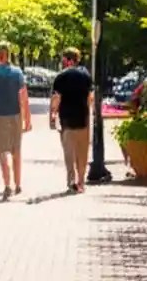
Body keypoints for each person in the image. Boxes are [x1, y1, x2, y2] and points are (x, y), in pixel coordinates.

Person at [0, 42, 31, 199]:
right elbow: (24, 97)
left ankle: (7, 185)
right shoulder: (18, 72)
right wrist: (27, 119)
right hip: (15, 115)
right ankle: (18, 184)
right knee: (16, 151)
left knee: (2, 153)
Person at [50, 47, 93, 193]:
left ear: (68, 60)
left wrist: (52, 115)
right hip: (83, 120)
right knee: (82, 153)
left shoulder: (61, 77)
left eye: (63, 59)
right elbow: (90, 98)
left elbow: (56, 98)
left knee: (69, 153)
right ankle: (81, 181)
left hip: (67, 121)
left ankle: (71, 181)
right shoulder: (86, 75)